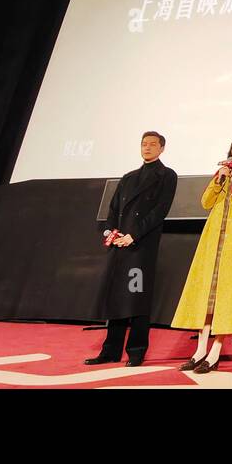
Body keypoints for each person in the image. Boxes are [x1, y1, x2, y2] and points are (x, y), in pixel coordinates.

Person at [171, 133, 232, 373]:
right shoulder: (225, 171)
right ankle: (200, 350)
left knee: (225, 298)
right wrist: (219, 180)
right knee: (207, 297)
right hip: (212, 241)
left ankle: (215, 353)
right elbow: (206, 202)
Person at [85, 131, 178, 367]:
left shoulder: (166, 175)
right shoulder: (128, 177)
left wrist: (133, 235)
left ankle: (136, 351)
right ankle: (110, 351)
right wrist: (110, 232)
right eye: (144, 144)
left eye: (152, 144)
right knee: (115, 298)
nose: (147, 148)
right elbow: (114, 208)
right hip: (119, 245)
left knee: (137, 298)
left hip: (141, 245)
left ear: (162, 148)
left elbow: (159, 211)